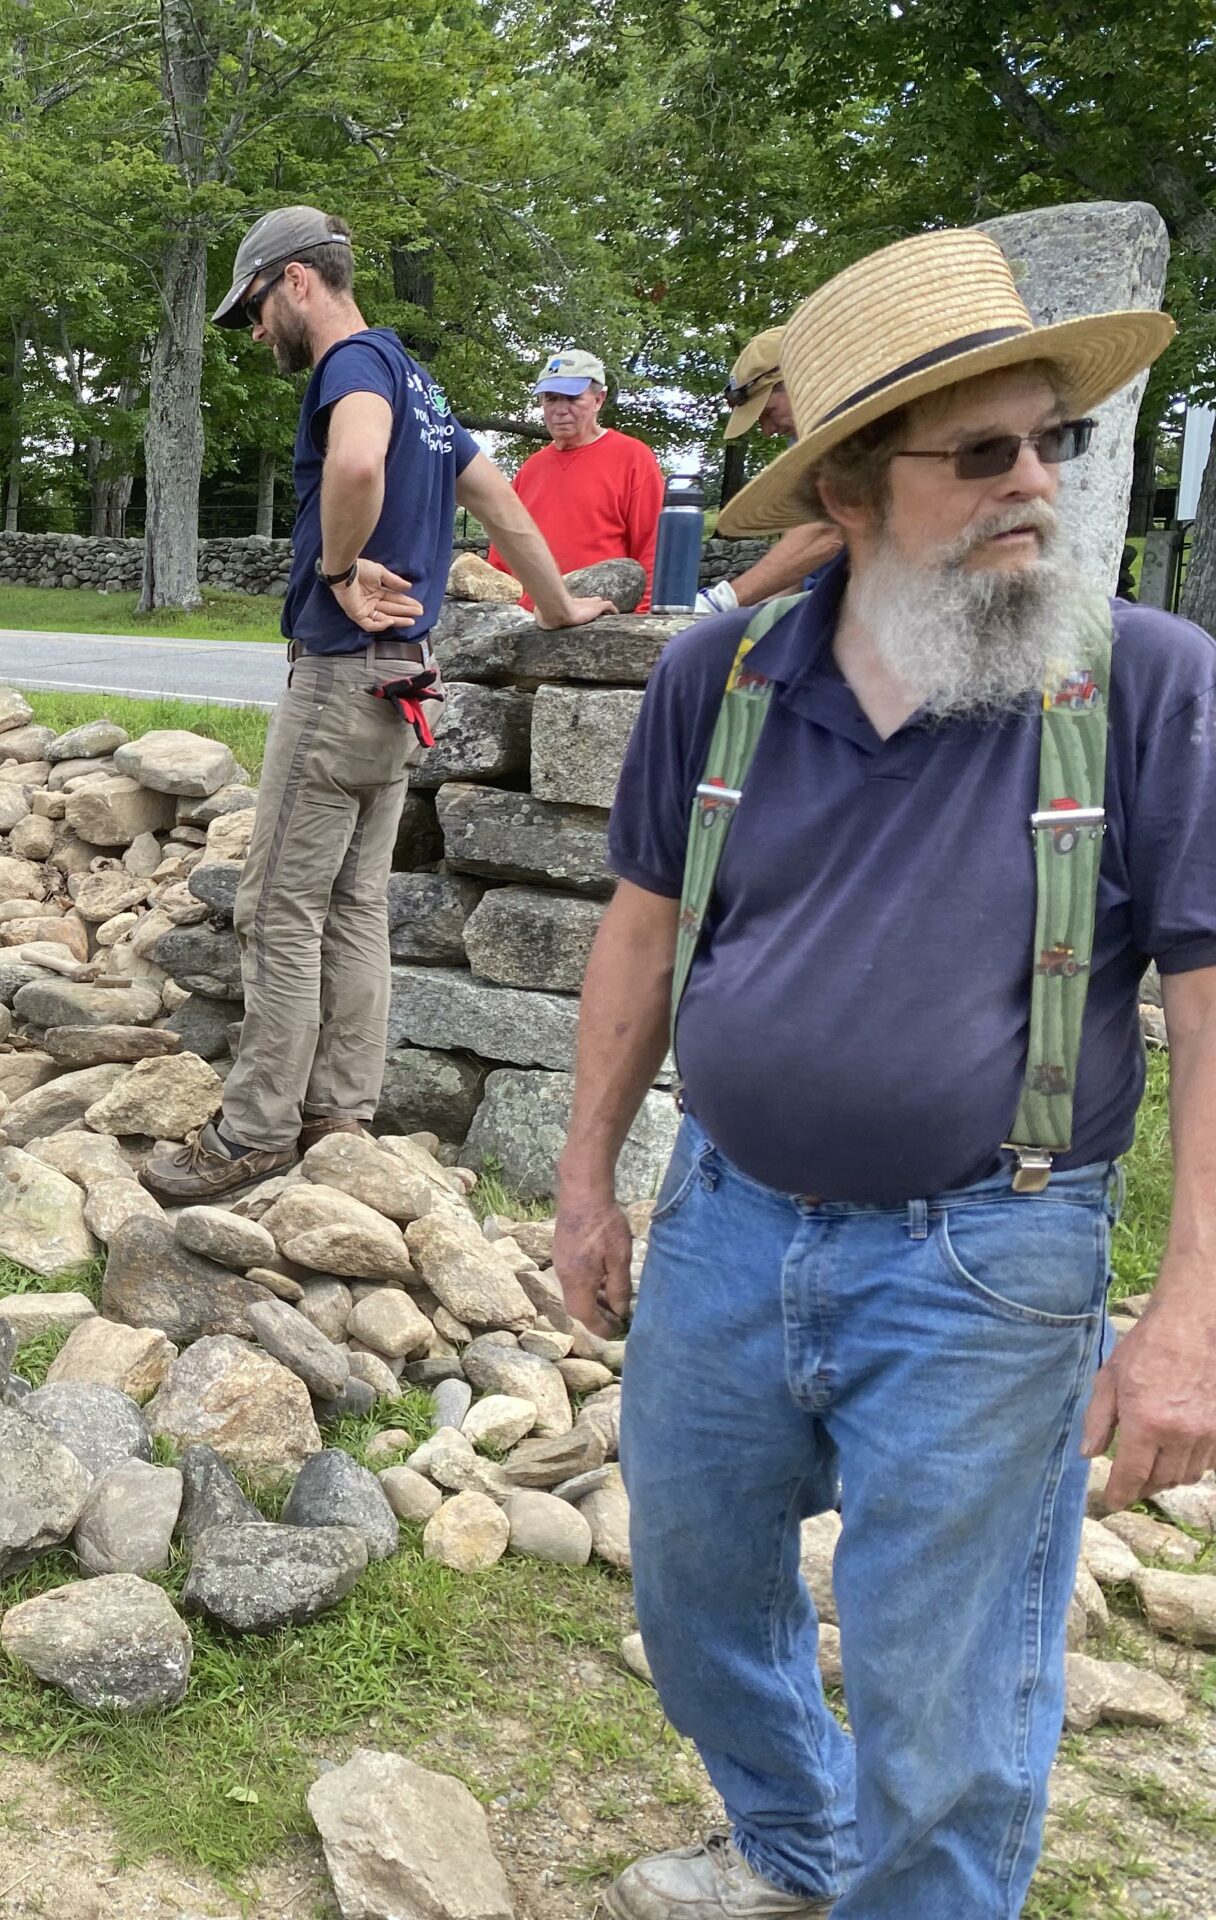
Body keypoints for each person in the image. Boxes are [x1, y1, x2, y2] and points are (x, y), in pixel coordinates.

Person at [556, 229, 1213, 1918]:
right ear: (846, 489)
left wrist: (1188, 1320)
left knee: (949, 1709)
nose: (1034, 485)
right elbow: (638, 943)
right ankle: (800, 1846)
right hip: (722, 1221)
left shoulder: (1143, 685)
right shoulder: (723, 676)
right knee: (697, 1612)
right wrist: (585, 1183)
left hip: (991, 1260)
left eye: (1048, 445)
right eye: (979, 452)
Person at [143, 206, 615, 1201]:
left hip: (339, 673)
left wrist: (339, 563)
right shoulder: (424, 387)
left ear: (298, 282)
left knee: (277, 906)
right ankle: (340, 1113)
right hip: (403, 676)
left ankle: (253, 1132)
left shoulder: (351, 370)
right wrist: (562, 604)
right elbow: (503, 506)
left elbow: (355, 462)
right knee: (353, 904)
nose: (256, 332)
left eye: (256, 311)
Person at [485, 347, 663, 611]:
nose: (560, 410)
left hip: (603, 621)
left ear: (599, 399)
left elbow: (652, 547)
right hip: (528, 622)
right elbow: (503, 550)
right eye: (551, 399)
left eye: (572, 398)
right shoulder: (531, 469)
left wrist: (640, 619)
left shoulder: (633, 458)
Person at [696, 326, 845, 612]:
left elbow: (826, 533)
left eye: (768, 412)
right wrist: (757, 619)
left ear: (800, 380)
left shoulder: (853, 431)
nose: (766, 430)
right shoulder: (802, 444)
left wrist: (722, 602)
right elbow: (795, 558)